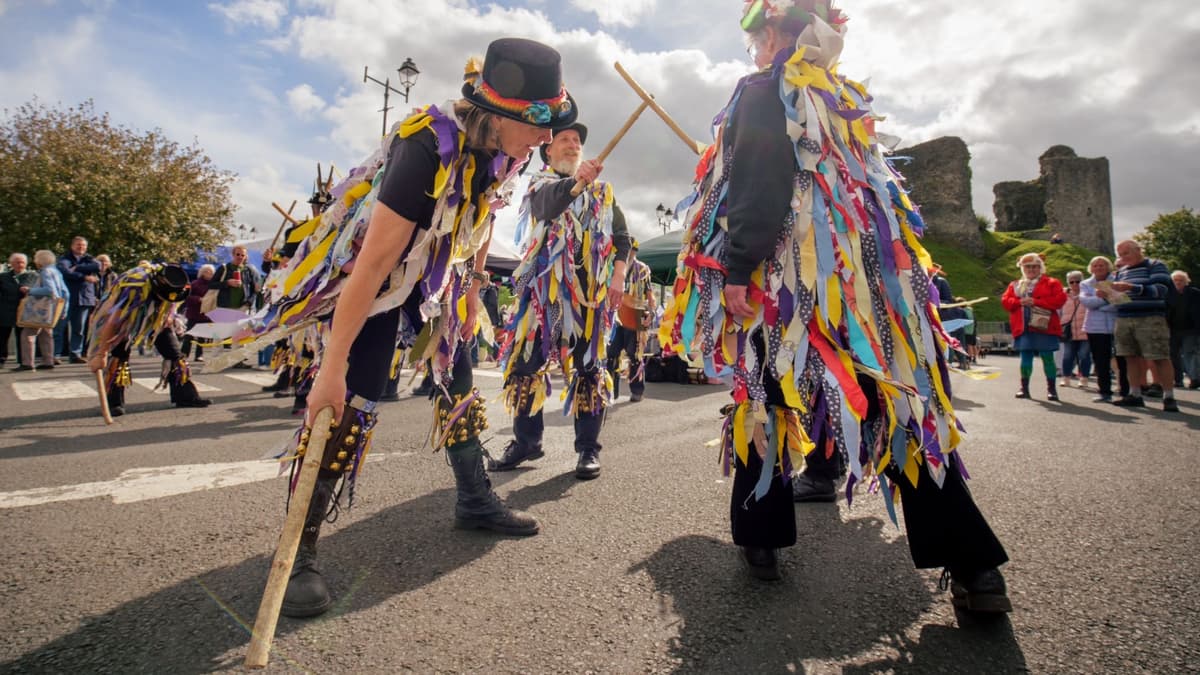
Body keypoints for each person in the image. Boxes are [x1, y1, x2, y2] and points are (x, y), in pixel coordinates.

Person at [659, 1, 1011, 613]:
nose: (754, 53)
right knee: (897, 403)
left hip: (786, 283)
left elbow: (759, 182)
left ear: (770, 35)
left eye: (755, 42)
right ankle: (974, 568)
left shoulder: (761, 89)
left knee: (764, 397)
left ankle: (761, 541)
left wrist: (738, 264)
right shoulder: (844, 99)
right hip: (868, 287)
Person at [243, 38, 573, 618]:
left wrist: (468, 283)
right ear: (497, 116)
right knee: (352, 402)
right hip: (373, 283)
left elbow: (474, 217)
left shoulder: (509, 152)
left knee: (460, 384)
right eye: (537, 124)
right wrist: (331, 369)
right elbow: (372, 264)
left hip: (435, 282)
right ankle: (299, 548)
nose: (546, 138)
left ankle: (474, 497)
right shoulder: (424, 145)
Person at [488, 119, 632, 481]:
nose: (571, 144)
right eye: (564, 139)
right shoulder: (540, 185)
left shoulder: (603, 194)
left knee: (589, 371)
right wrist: (576, 182)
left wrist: (618, 275)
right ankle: (526, 442)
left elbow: (623, 239)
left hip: (588, 298)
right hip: (542, 295)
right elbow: (548, 207)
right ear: (547, 150)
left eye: (576, 141)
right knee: (524, 368)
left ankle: (587, 450)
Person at [86, 264, 206, 416]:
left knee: (174, 353)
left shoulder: (176, 288)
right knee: (119, 355)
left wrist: (169, 319)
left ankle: (186, 397)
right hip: (126, 316)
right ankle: (114, 403)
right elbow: (113, 321)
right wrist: (101, 354)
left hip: (157, 317)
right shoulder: (133, 288)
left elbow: (171, 306)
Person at [1105, 240, 1177, 412]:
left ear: (1138, 250)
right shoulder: (1121, 272)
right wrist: (1107, 294)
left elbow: (1161, 290)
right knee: (1129, 356)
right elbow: (1119, 300)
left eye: (1126, 253)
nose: (1123, 257)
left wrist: (1132, 287)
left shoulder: (1155, 265)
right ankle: (1135, 393)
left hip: (1149, 317)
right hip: (1124, 317)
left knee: (1159, 356)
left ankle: (1169, 396)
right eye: (1120, 254)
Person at [1002, 253, 1067, 400]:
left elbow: (1059, 300)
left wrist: (1036, 302)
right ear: (1022, 268)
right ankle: (1024, 388)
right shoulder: (1015, 284)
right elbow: (1006, 301)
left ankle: (1052, 390)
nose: (1031, 269)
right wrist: (1019, 303)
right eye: (1027, 266)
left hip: (1044, 326)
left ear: (1040, 267)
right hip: (1023, 327)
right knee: (1025, 357)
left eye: (1035, 266)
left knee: (1047, 357)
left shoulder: (1051, 282)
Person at [606, 239, 656, 402]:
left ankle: (637, 391)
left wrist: (651, 311)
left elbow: (650, 293)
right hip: (615, 316)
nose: (628, 254)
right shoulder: (613, 267)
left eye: (631, 251)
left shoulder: (642, 269)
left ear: (635, 252)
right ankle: (610, 392)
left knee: (635, 355)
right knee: (610, 354)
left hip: (636, 316)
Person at [1078, 256, 1121, 402]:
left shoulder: (1116, 281)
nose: (1098, 268)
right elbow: (1086, 302)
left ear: (1108, 267)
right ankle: (1104, 391)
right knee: (1100, 360)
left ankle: (1125, 391)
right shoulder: (1085, 283)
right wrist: (1105, 298)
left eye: (1102, 265)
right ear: (1091, 268)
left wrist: (1100, 304)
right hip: (1095, 327)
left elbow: (1120, 302)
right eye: (1095, 265)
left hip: (1117, 324)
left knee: (1122, 359)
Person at [19, 250, 69, 371]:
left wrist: (30, 291)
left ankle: (28, 363)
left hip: (40, 309)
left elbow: (49, 290)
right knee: (46, 334)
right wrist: (64, 310)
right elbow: (65, 292)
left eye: (36, 258)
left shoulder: (45, 272)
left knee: (28, 334)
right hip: (52, 309)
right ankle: (48, 361)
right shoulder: (57, 272)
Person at [57, 236, 101, 363]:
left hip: (84, 298)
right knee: (60, 328)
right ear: (72, 246)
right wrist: (84, 277)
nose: (81, 247)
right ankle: (56, 354)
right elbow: (66, 272)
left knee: (79, 330)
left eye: (83, 245)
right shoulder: (64, 259)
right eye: (78, 245)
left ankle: (75, 354)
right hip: (68, 299)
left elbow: (97, 266)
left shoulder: (89, 258)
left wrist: (76, 267)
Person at [1, 253, 37, 367]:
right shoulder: (3, 277)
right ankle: (1, 358)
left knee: (22, 335)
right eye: (17, 262)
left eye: (22, 262)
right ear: (11, 264)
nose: (20, 264)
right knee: (2, 336)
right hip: (5, 309)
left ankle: (23, 360)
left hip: (25, 310)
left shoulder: (33, 276)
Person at [1058, 270, 1091, 388]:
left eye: (1078, 281)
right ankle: (1065, 377)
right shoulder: (1063, 295)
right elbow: (1058, 311)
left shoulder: (1088, 293)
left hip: (1085, 329)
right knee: (1067, 356)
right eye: (1071, 282)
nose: (1075, 284)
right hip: (1069, 330)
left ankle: (1084, 378)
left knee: (1084, 355)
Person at [1167, 270, 1200, 389]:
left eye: (1181, 280)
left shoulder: (1194, 293)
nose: (1178, 282)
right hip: (1173, 329)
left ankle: (1194, 379)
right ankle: (1178, 379)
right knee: (1173, 355)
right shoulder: (1169, 294)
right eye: (1175, 280)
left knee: (1189, 353)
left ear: (1186, 282)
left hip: (1190, 330)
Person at [181, 264, 215, 362]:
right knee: (189, 336)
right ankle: (184, 354)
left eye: (211, 272)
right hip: (194, 313)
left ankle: (199, 355)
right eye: (206, 271)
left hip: (206, 314)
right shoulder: (194, 283)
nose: (209, 274)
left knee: (202, 337)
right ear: (202, 272)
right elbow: (187, 297)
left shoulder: (213, 285)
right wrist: (199, 299)